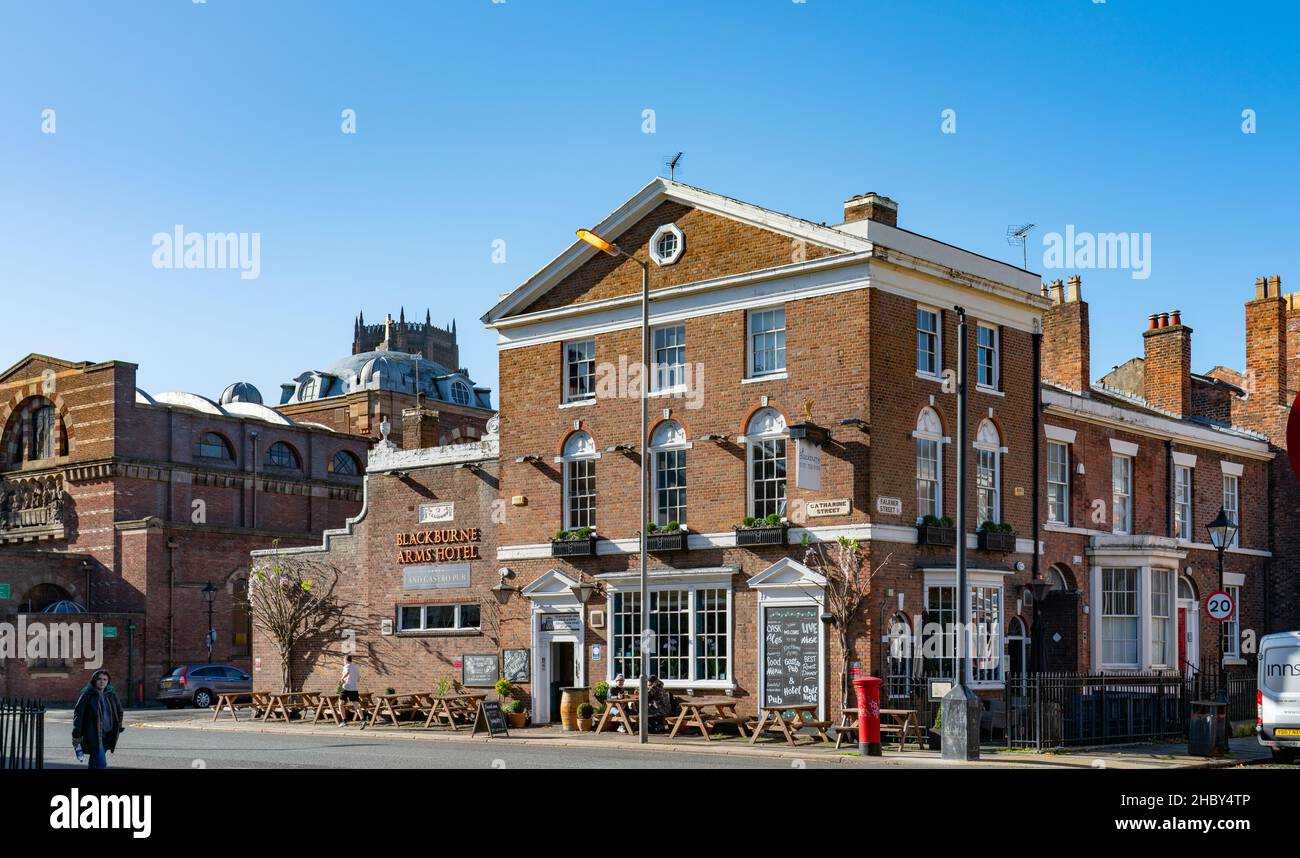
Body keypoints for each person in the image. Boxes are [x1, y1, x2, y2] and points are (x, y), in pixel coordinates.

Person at [72, 669, 124, 770]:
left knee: (94, 759)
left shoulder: (111, 695)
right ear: (94, 680)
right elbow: (78, 715)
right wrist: (76, 735)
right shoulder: (87, 695)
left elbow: (119, 712)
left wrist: (118, 726)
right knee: (101, 762)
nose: (102, 681)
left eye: (105, 679)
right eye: (99, 679)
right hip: (94, 734)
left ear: (108, 681)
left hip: (108, 733)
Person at [340, 655, 361, 723]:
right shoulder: (355, 667)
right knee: (356, 705)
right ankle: (363, 720)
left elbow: (347, 671)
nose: (343, 661)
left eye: (344, 660)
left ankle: (344, 721)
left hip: (346, 688)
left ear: (346, 660)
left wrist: (342, 678)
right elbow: (358, 679)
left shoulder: (346, 666)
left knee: (340, 704)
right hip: (354, 689)